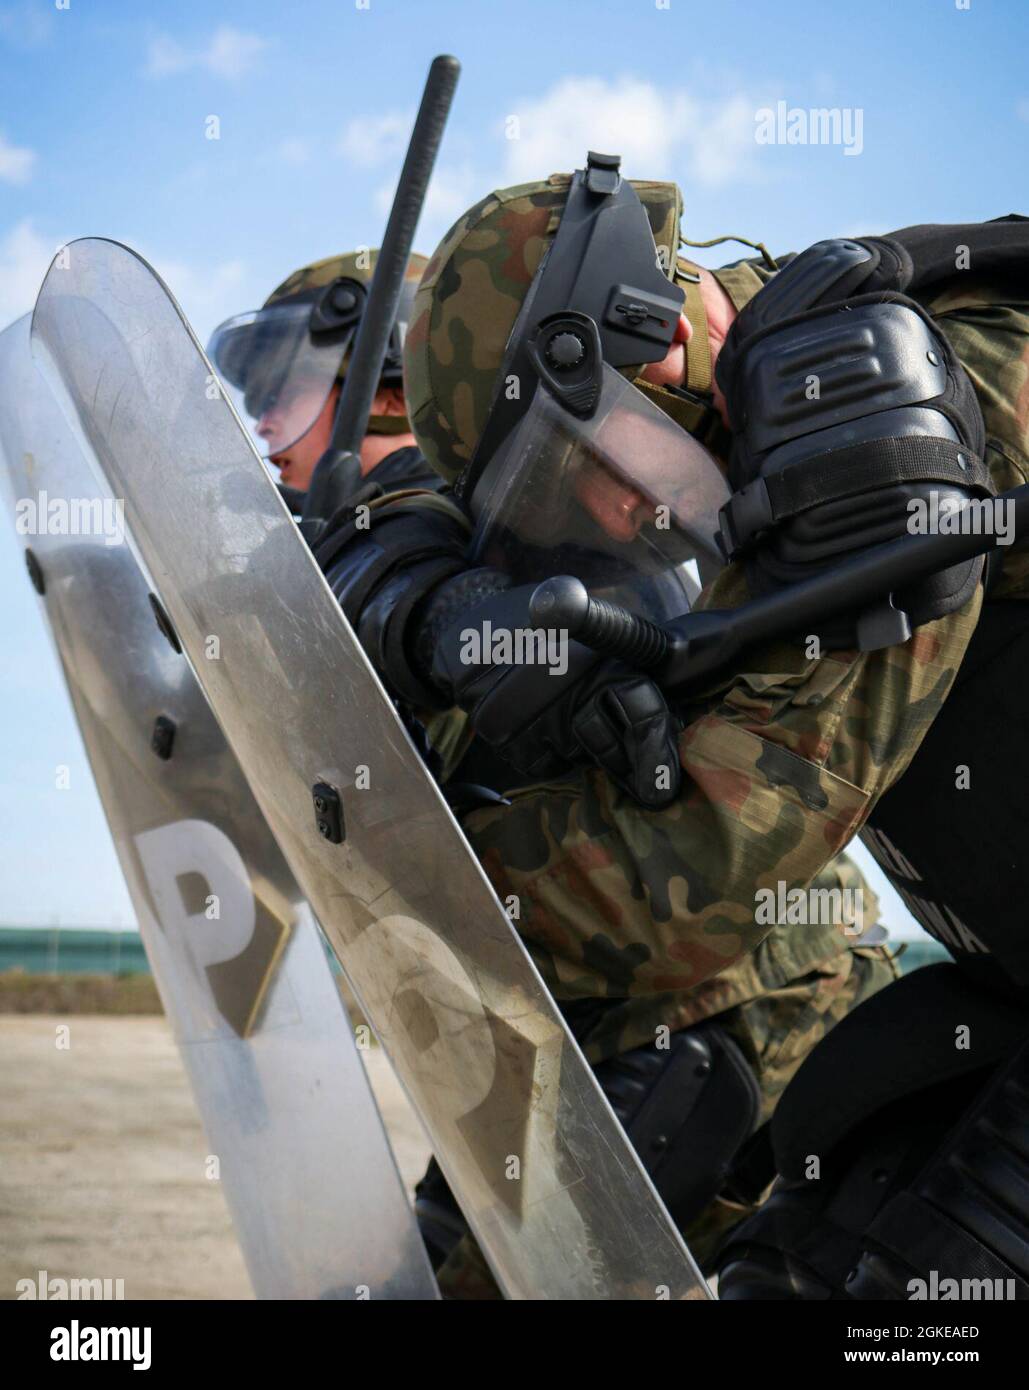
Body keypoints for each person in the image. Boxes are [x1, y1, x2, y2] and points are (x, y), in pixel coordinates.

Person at [311, 169, 941, 1296]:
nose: (598, 524)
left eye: (579, 460)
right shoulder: (702, 437)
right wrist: (425, 609)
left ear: (632, 333)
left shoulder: (856, 411)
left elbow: (693, 870)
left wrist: (395, 900)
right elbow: (410, 519)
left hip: (739, 1009)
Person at [207, 249, 441, 496]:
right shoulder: (356, 523)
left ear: (390, 400)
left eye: (284, 398)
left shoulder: (422, 526)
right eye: (262, 406)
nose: (262, 428)